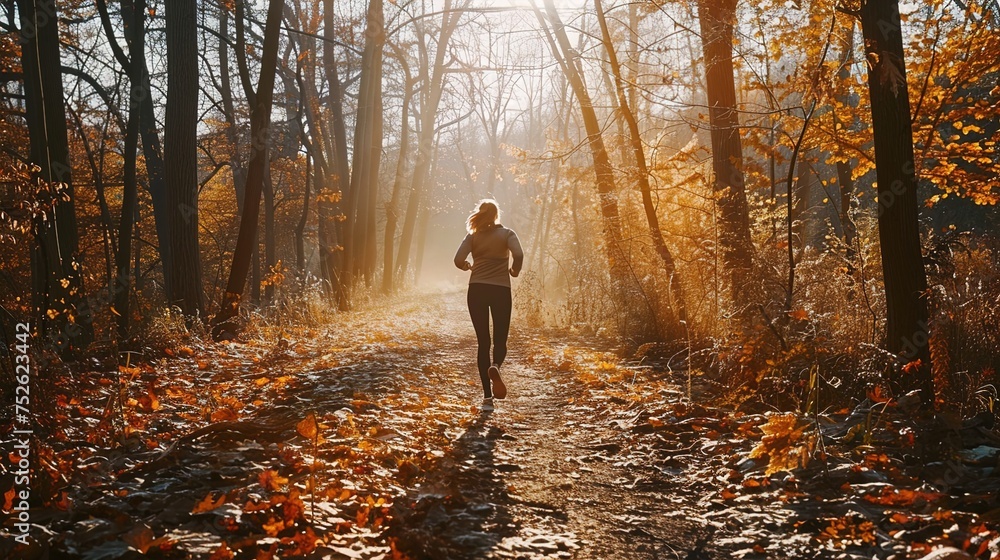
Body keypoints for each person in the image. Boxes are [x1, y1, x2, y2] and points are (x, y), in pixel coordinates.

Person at [454, 199, 524, 410]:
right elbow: (519, 254)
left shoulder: (472, 236)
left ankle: (487, 397)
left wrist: (468, 266)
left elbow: (458, 259)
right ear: (495, 215)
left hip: (477, 290)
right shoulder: (507, 234)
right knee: (500, 339)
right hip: (501, 290)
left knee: (483, 342)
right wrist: (514, 271)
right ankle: (495, 366)